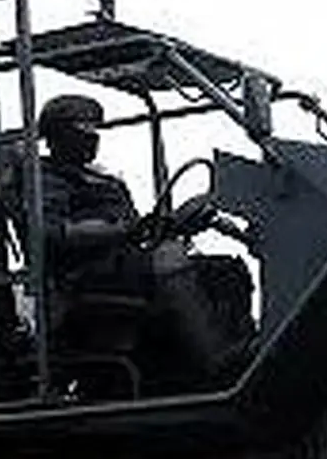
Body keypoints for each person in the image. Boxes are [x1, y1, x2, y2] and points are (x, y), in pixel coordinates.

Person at [16, 94, 252, 387]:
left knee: (225, 270)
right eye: (84, 128)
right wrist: (124, 229)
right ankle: (218, 361)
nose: (93, 137)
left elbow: (138, 230)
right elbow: (52, 233)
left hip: (124, 264)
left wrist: (169, 224)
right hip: (83, 274)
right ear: (58, 134)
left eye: (95, 129)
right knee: (169, 259)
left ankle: (243, 352)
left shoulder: (102, 178)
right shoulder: (45, 176)